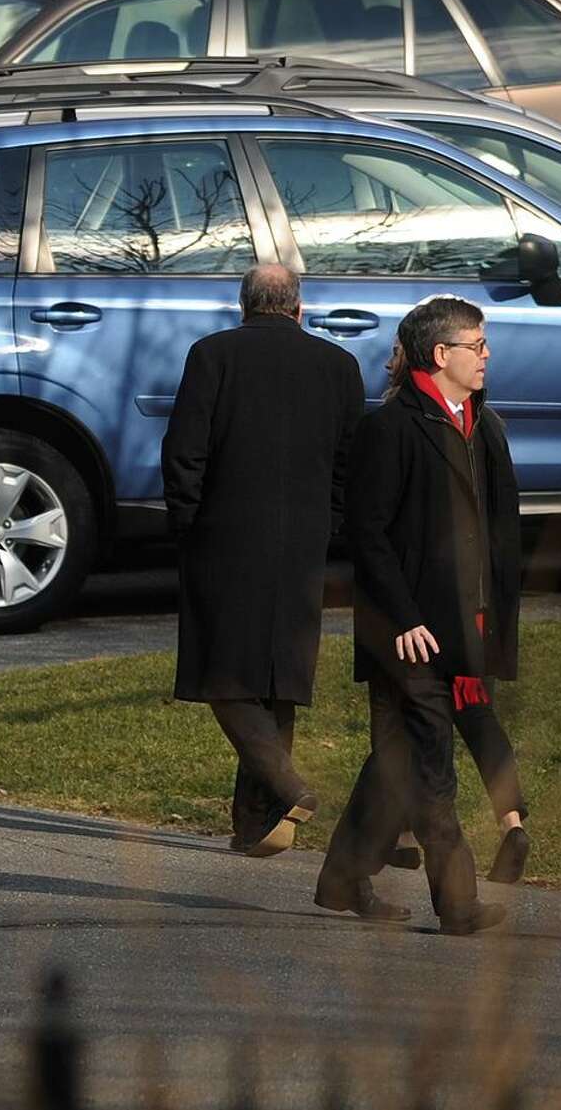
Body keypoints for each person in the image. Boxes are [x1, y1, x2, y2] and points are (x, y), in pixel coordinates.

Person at [315, 296, 516, 935]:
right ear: (441, 354)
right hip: (408, 632)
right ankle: (457, 902)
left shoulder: (481, 424)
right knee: (433, 758)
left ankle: (343, 876)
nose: (486, 355)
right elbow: (367, 533)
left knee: (397, 759)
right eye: (476, 344)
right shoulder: (392, 427)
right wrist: (403, 618)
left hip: (462, 625)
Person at [161, 264, 364, 858]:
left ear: (242, 305)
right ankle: (256, 822)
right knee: (276, 677)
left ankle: (286, 786)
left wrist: (183, 518)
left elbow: (185, 445)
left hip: (223, 532)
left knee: (221, 672)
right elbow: (350, 458)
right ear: (299, 308)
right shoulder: (339, 365)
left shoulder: (212, 355)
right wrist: (330, 521)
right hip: (302, 540)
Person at [375, 340, 531, 884]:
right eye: (478, 346)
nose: (487, 355)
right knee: (475, 711)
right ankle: (510, 821)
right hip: (478, 607)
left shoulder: (416, 425)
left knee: (413, 728)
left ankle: (405, 835)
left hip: (436, 607)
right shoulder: (488, 428)